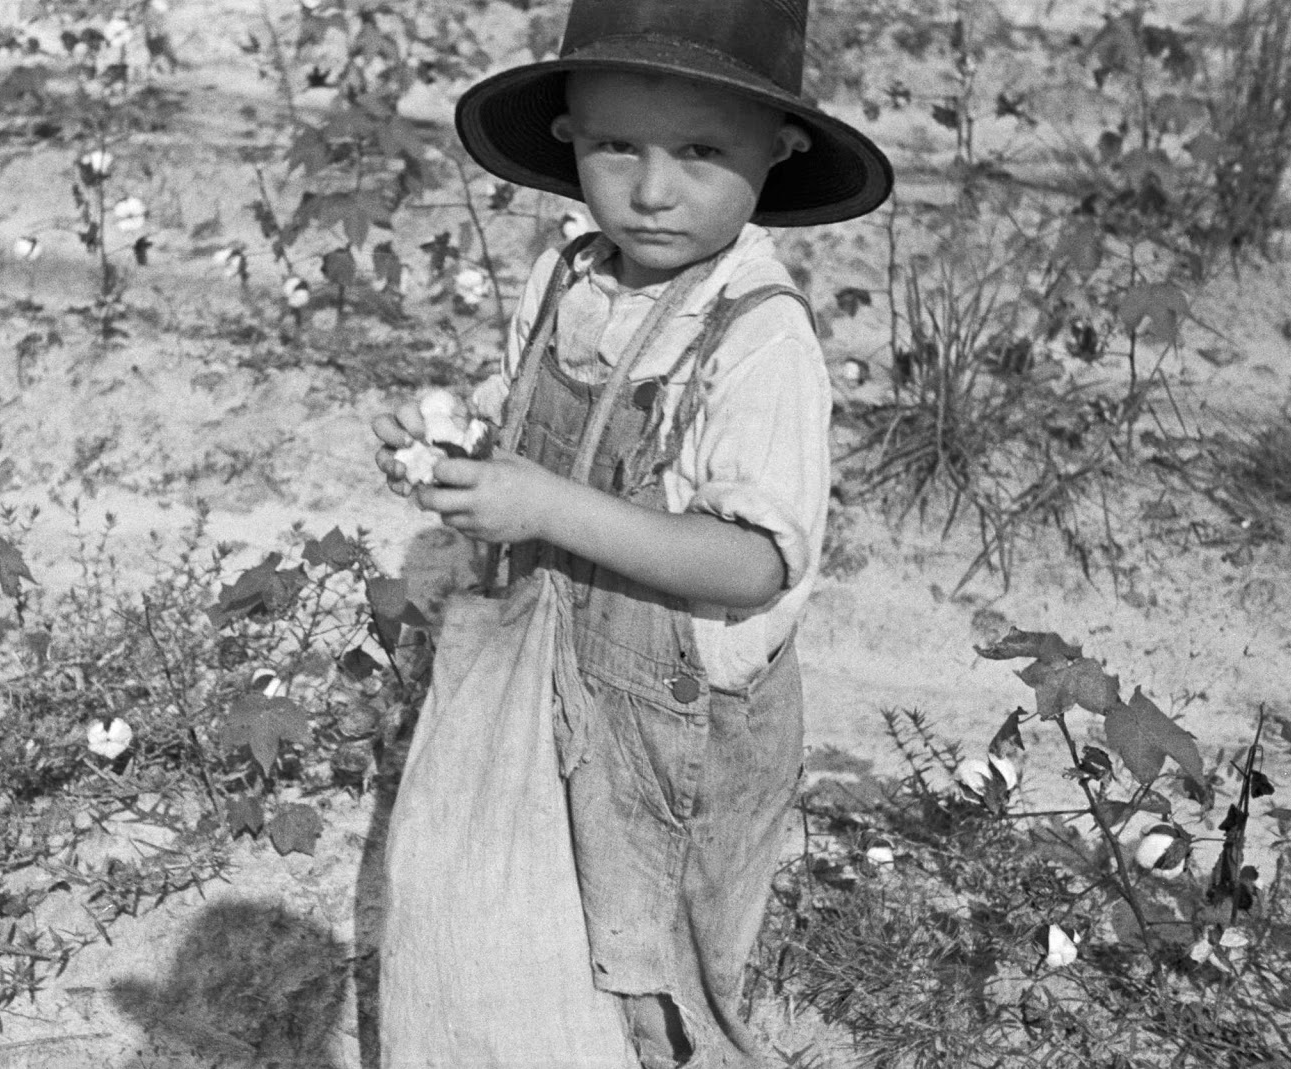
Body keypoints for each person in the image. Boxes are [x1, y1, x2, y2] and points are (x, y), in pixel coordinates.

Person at [373, 1, 892, 1065]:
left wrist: (548, 508)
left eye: (702, 152)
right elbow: (530, 415)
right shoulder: (569, 273)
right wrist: (457, 452)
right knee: (533, 926)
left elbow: (753, 563)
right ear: (567, 134)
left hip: (677, 728)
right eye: (617, 146)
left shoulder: (756, 339)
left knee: (658, 972)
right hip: (552, 671)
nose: (652, 191)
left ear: (778, 150)